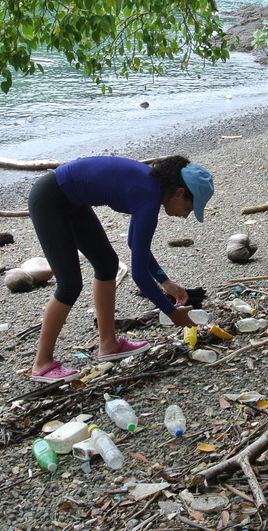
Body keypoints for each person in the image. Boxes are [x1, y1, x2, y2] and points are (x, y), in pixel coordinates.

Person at [26, 155, 214, 382]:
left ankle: (108, 344)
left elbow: (134, 244)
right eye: (189, 207)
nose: (186, 215)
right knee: (69, 285)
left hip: (72, 201)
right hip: (50, 198)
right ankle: (42, 364)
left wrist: (165, 281)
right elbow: (139, 274)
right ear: (179, 192)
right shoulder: (148, 197)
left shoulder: (152, 190)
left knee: (107, 264)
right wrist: (172, 313)